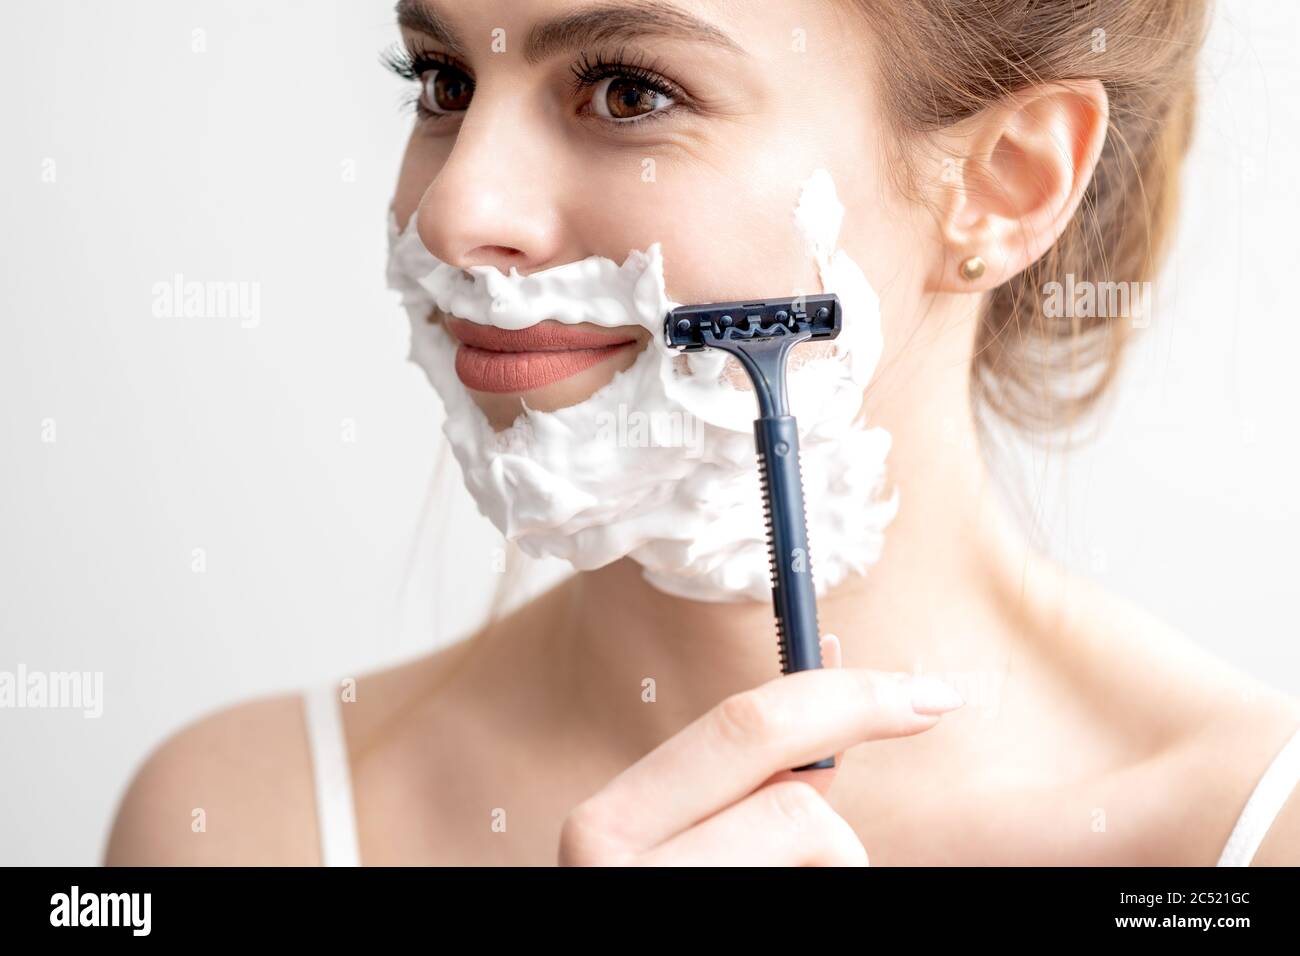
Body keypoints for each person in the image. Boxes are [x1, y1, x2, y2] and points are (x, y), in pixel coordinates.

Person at [105, 0, 1300, 866]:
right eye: (442, 81)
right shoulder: (241, 821)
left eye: (630, 90)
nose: (455, 207)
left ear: (1003, 183)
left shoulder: (1245, 834)